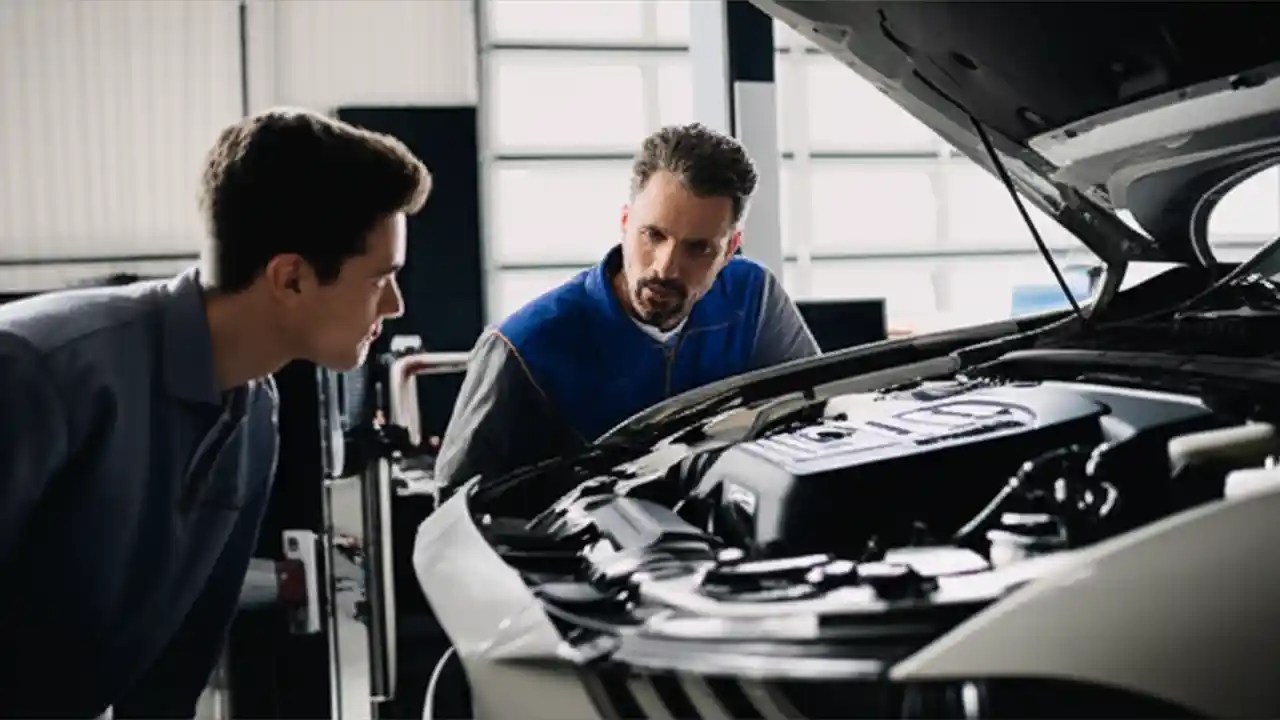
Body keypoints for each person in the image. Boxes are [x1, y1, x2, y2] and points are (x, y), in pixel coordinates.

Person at [0, 107, 432, 719]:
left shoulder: (255, 410)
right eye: (378, 279)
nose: (394, 305)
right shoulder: (36, 371)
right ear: (290, 278)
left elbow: (182, 652)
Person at [435, 122, 818, 492]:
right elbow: (455, 517)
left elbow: (815, 428)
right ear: (624, 221)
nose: (665, 267)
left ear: (730, 249)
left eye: (698, 248)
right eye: (653, 235)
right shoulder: (523, 347)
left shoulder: (753, 298)